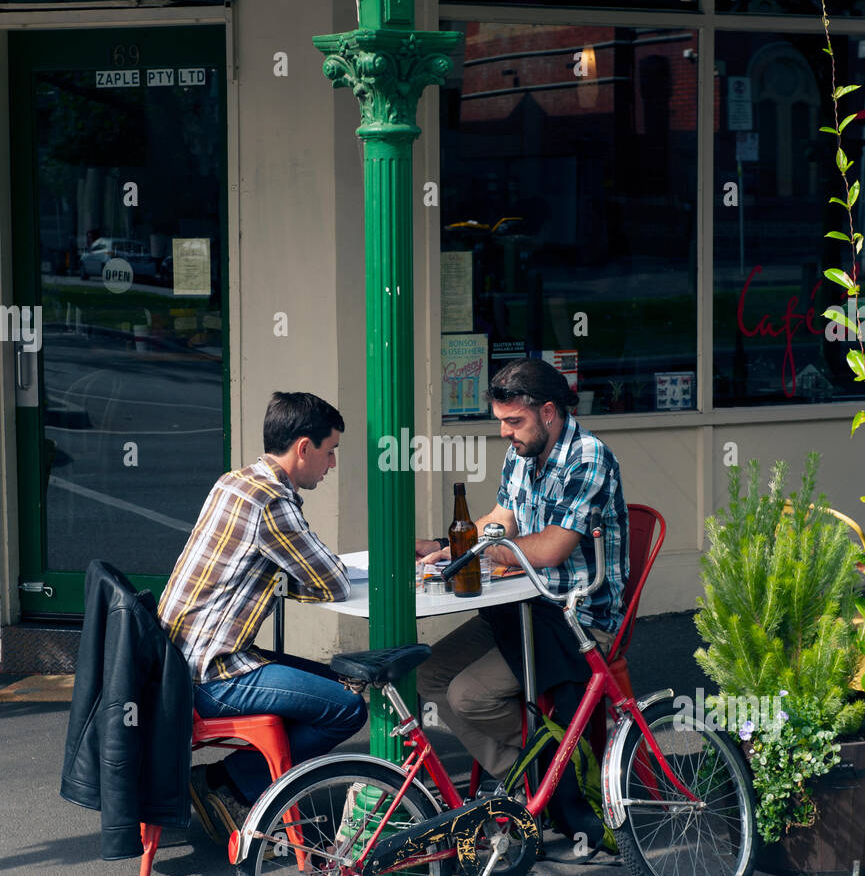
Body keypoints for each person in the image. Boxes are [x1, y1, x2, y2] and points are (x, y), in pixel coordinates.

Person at [416, 359, 629, 843]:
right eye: (501, 422)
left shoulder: (589, 456)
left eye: (514, 421)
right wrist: (449, 550)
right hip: (526, 605)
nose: (505, 432)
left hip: (578, 616)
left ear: (549, 412)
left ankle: (553, 775)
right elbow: (503, 519)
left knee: (467, 694)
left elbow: (552, 547)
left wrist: (486, 550)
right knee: (428, 674)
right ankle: (531, 780)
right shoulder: (522, 452)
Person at [157, 391, 367, 842]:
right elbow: (333, 581)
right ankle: (231, 784)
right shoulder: (272, 501)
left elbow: (277, 567)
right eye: (330, 452)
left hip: (175, 667)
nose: (331, 465)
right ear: (303, 449)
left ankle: (234, 781)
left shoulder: (234, 481)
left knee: (334, 681)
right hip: (213, 677)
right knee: (348, 706)